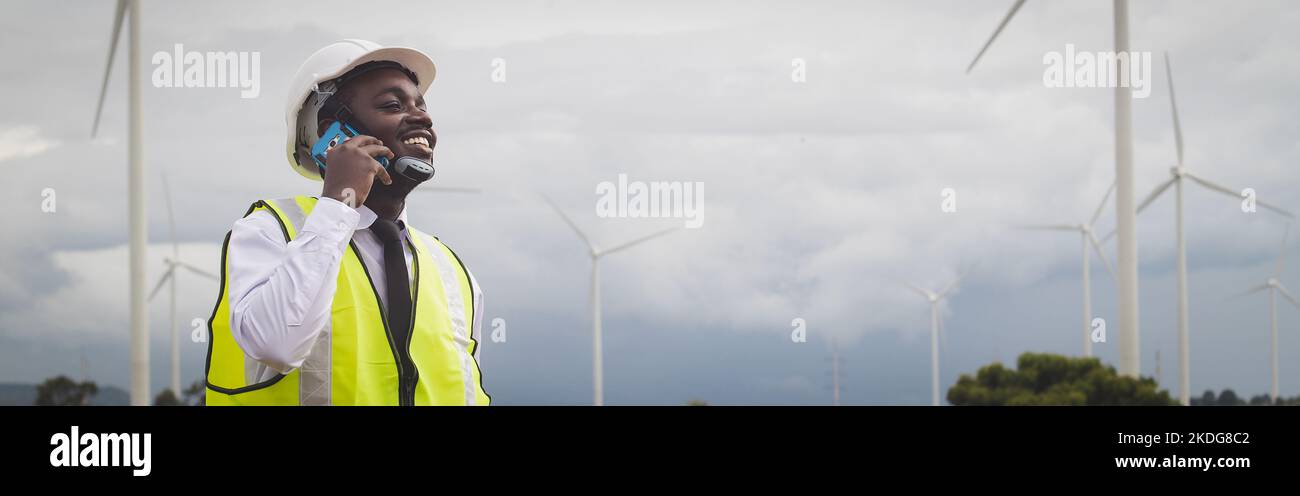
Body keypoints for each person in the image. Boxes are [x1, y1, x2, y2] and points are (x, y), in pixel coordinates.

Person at [204, 39, 489, 405]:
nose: (423, 118)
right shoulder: (270, 231)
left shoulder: (452, 270)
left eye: (422, 105)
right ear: (333, 134)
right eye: (392, 105)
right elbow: (277, 343)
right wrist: (339, 203)